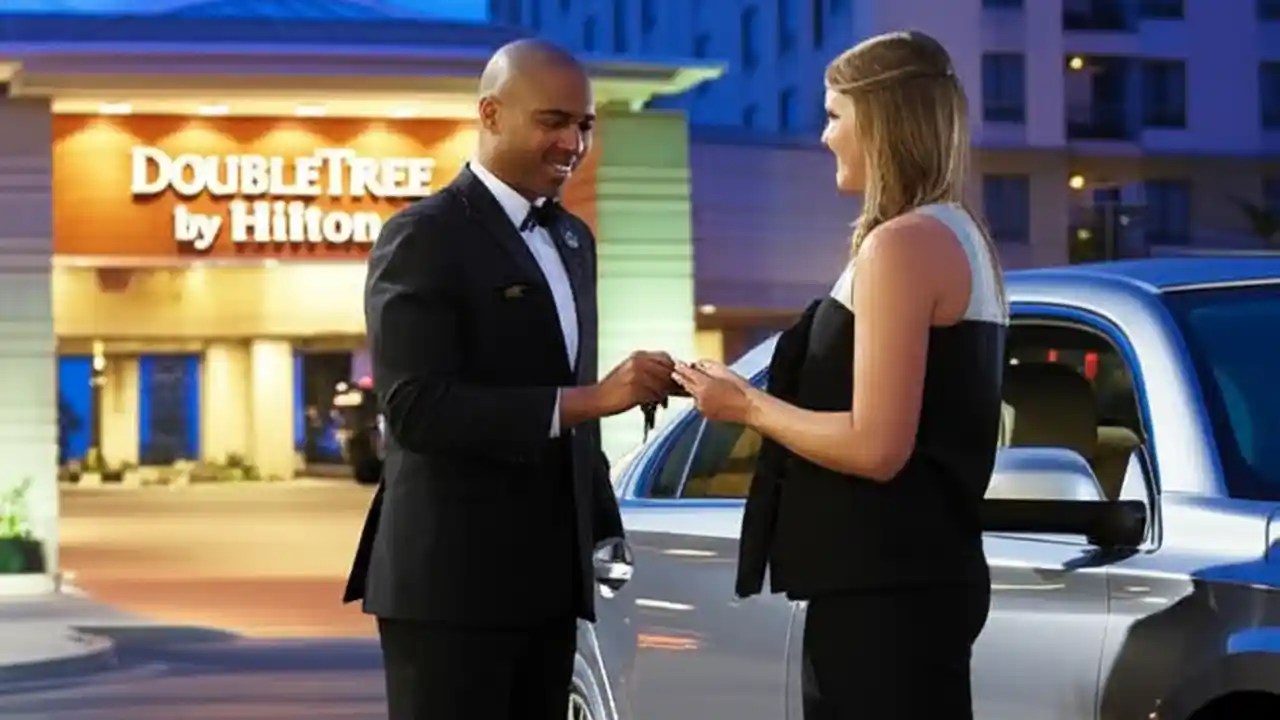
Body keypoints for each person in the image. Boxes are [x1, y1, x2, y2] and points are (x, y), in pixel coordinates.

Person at [671, 30, 1008, 719]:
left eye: (834, 115)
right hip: (917, 583)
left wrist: (747, 407)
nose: (824, 137)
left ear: (881, 120)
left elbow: (877, 447)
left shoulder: (903, 245)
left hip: (885, 596)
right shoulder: (961, 235)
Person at [343, 39, 677, 720]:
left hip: (549, 586)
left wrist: (603, 535)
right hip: (450, 590)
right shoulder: (422, 236)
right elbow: (416, 409)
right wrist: (596, 398)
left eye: (584, 125)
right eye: (553, 121)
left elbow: (567, 394)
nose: (574, 142)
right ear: (491, 114)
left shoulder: (575, 240)